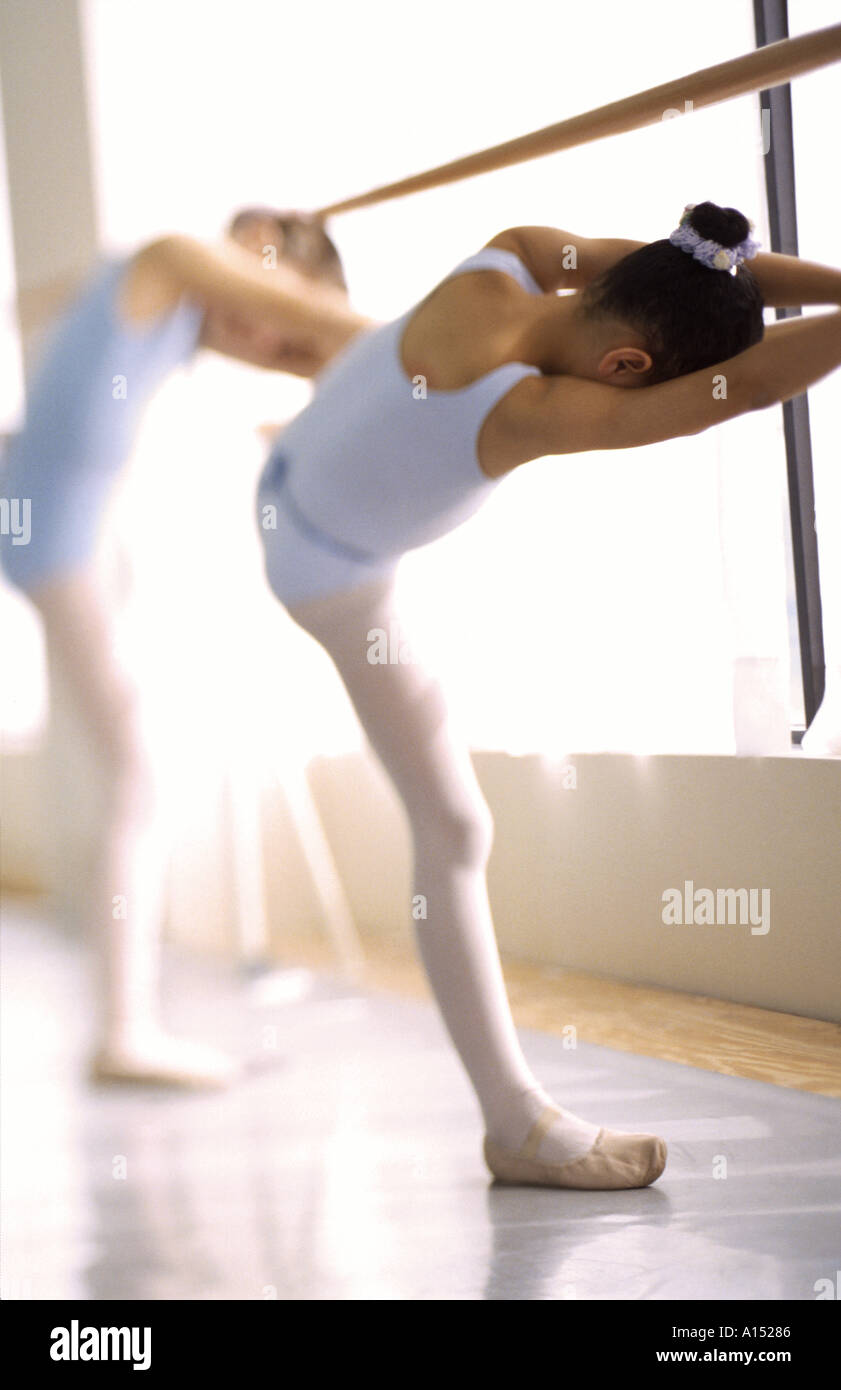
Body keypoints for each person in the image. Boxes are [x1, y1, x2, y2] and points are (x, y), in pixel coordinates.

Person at [255, 201, 841, 1188]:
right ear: (626, 369)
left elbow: (707, 275)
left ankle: (514, 1122)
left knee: (453, 824)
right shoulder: (524, 411)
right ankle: (513, 1125)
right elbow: (743, 389)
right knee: (452, 827)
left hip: (291, 467)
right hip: (325, 569)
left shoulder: (517, 258)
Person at [0, 210, 371, 1087]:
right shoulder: (170, 264)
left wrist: (319, 364)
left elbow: (304, 346)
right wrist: (458, 340)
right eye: (272, 303)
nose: (264, 335)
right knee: (140, 773)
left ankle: (124, 1029)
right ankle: (123, 1032)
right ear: (257, 255)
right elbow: (319, 328)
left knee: (139, 770)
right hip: (43, 528)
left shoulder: (181, 322)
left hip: (50, 531)